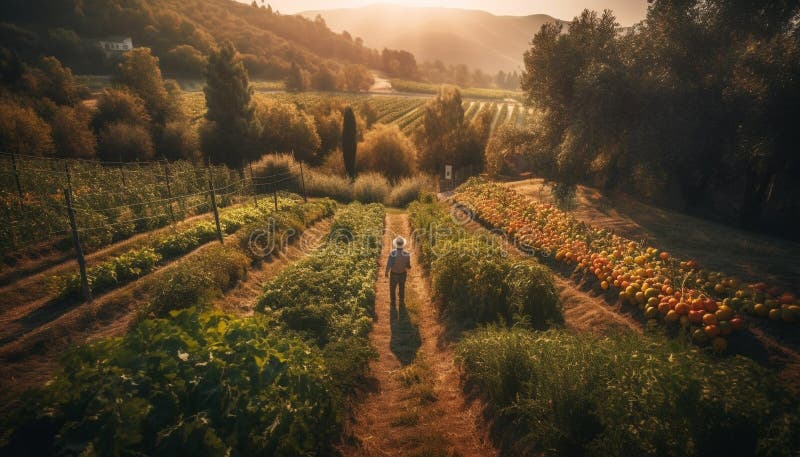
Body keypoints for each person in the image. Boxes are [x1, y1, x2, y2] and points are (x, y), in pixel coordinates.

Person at [385, 236, 411, 308]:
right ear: (403, 245)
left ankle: (393, 302)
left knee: (392, 289)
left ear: (396, 244)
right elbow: (408, 265)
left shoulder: (392, 253)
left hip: (394, 274)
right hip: (402, 274)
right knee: (402, 288)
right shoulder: (407, 253)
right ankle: (401, 302)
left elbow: (389, 264)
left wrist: (386, 272)